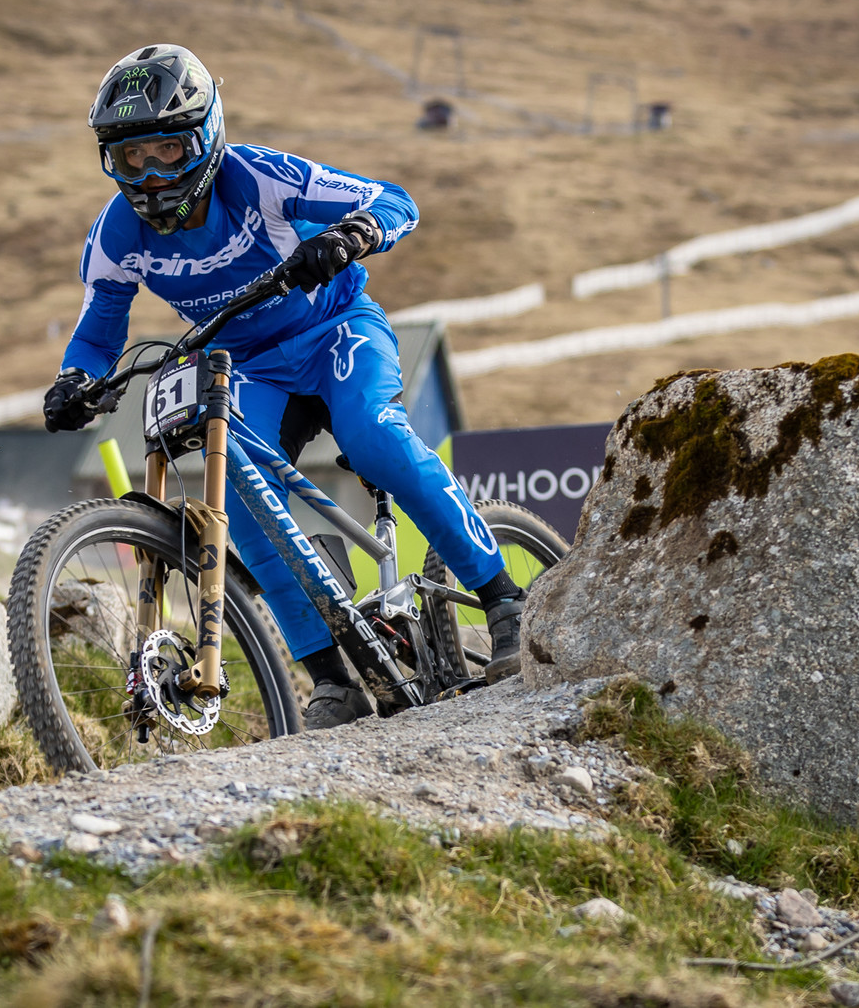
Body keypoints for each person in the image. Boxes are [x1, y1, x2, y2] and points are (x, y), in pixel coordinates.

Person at [42, 44, 528, 728]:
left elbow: (396, 202)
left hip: (336, 331)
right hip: (249, 368)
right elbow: (97, 336)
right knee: (237, 491)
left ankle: (504, 596)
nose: (151, 177)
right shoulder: (115, 236)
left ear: (205, 137)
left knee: (372, 433)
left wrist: (355, 233)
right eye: (131, 158)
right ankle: (331, 676)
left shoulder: (261, 177)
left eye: (167, 152)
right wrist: (75, 381)